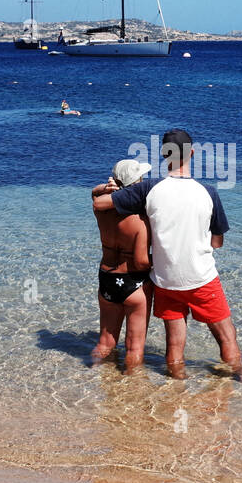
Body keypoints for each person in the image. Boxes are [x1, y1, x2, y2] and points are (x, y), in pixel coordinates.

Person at [92, 128, 242, 380]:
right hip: (201, 277)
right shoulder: (209, 193)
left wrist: (113, 188)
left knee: (174, 346)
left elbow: (100, 204)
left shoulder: (148, 188)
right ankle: (241, 375)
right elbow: (217, 243)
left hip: (165, 281)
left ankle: (176, 385)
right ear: (192, 153)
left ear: (164, 155)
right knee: (226, 335)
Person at [90, 158, 153, 370]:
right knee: (134, 347)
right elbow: (142, 261)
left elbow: (94, 194)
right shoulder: (140, 221)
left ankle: (93, 372)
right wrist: (157, 265)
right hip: (132, 283)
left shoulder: (101, 211)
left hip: (107, 277)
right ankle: (132, 388)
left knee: (105, 342)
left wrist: (106, 188)